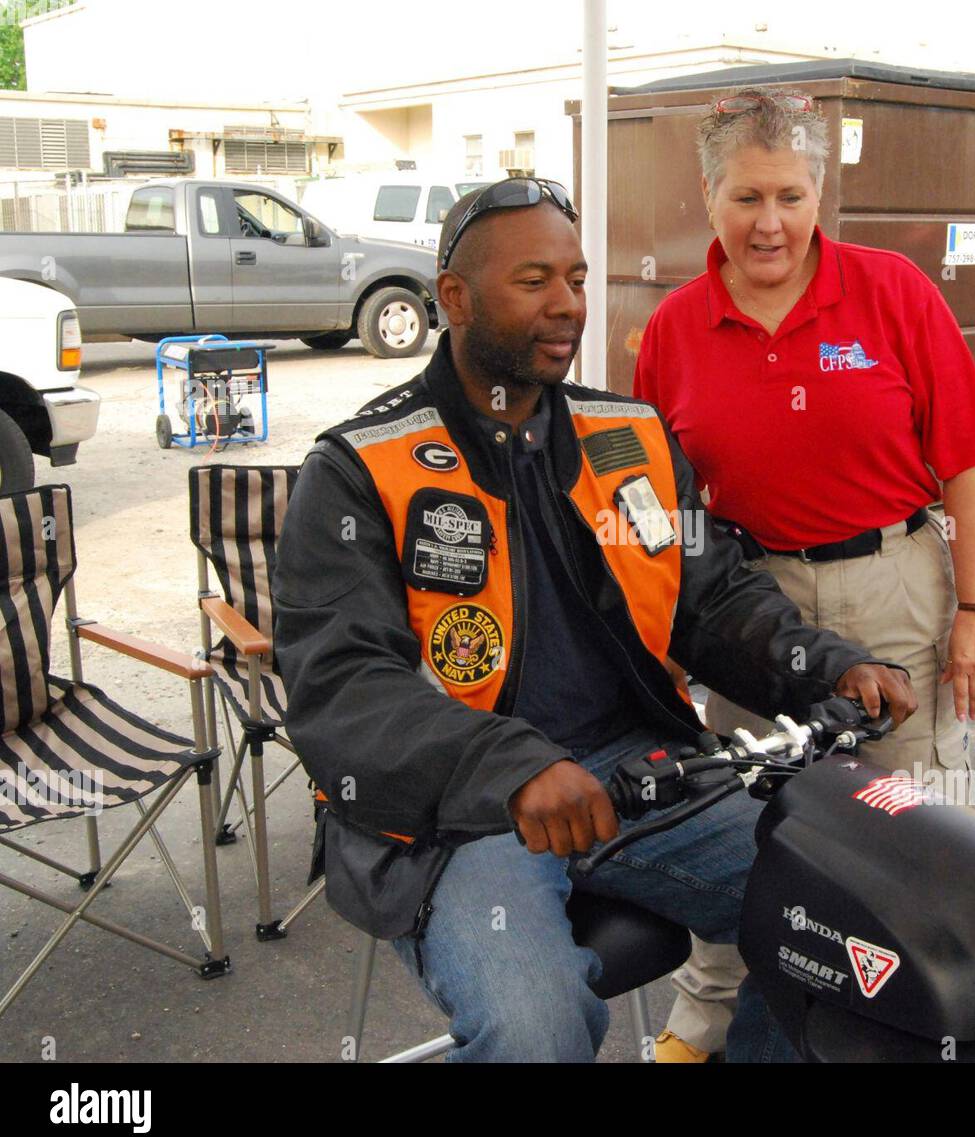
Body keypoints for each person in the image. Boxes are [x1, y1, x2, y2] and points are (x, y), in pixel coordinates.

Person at [272, 177, 917, 1063]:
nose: (567, 305)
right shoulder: (357, 469)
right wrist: (514, 764)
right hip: (465, 808)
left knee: (853, 933)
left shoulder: (633, 437)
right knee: (535, 1031)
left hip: (644, 775)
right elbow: (342, 689)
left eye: (576, 278)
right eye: (533, 281)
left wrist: (825, 663)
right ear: (453, 298)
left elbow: (714, 598)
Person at [633, 88, 975, 1062]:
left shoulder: (891, 291)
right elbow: (652, 511)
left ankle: (902, 1027)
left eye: (791, 197)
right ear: (709, 196)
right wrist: (656, 646)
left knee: (896, 828)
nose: (771, 223)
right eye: (748, 197)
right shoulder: (672, 331)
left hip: (889, 588)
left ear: (818, 195)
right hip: (745, 611)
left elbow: (971, 462)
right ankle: (706, 1022)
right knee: (751, 827)